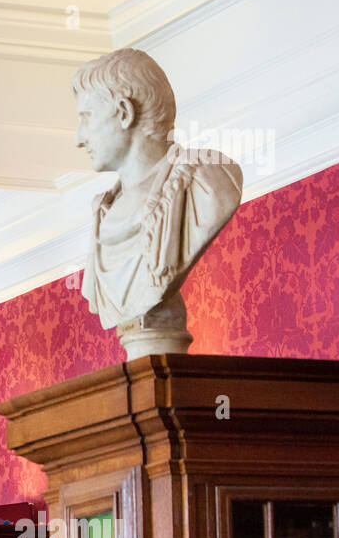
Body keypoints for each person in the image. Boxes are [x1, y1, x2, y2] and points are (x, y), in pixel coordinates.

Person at [73, 48, 243, 352]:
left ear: (125, 112)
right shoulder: (104, 214)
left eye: (85, 118)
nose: (79, 138)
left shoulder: (207, 182)